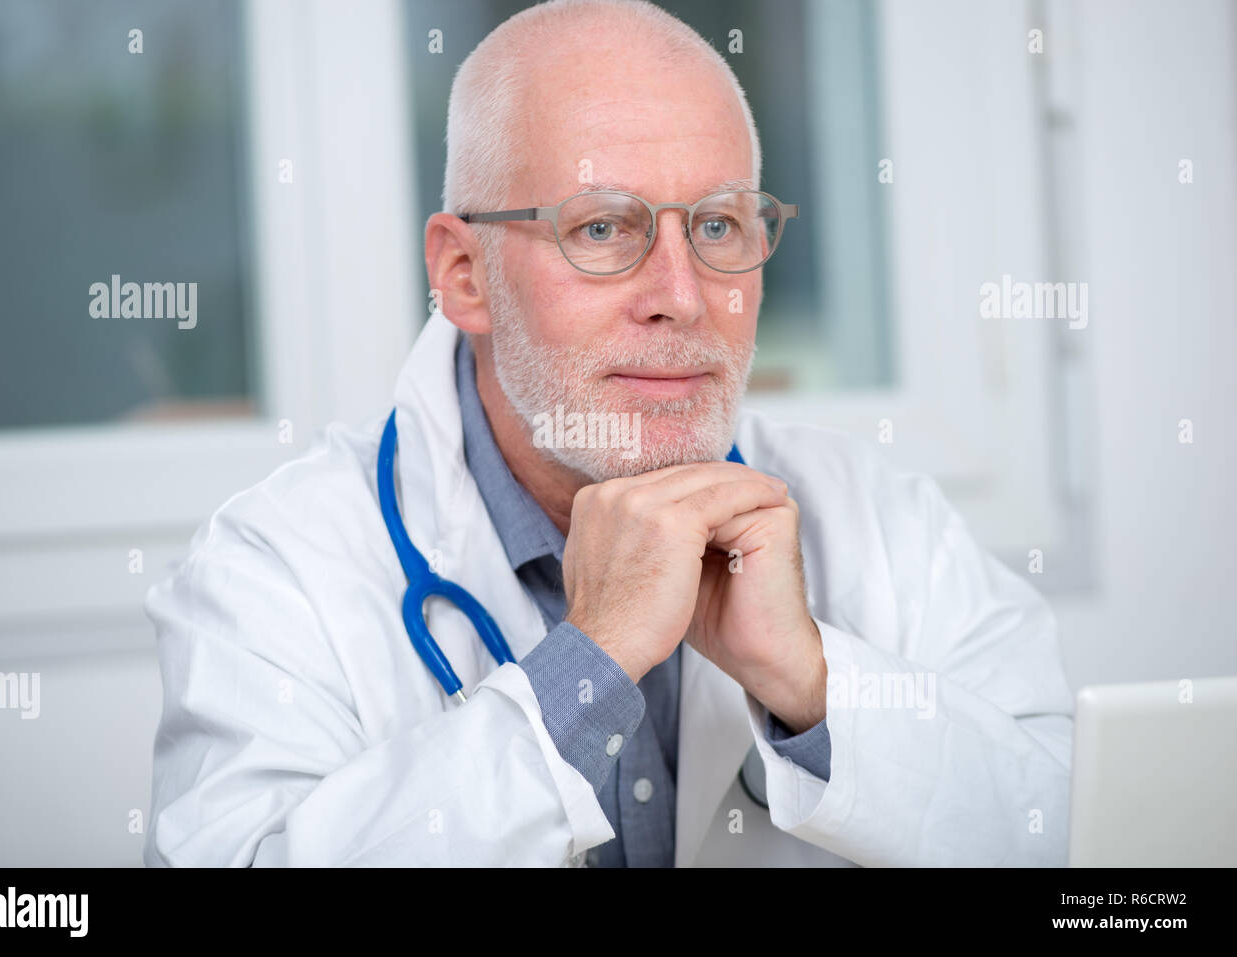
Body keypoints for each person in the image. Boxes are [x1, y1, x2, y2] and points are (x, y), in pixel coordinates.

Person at [144, 0, 1074, 867]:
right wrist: (582, 671)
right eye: (600, 228)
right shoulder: (275, 570)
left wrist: (816, 687)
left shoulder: (881, 520)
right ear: (465, 274)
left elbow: (1085, 836)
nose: (680, 296)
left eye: (717, 224)